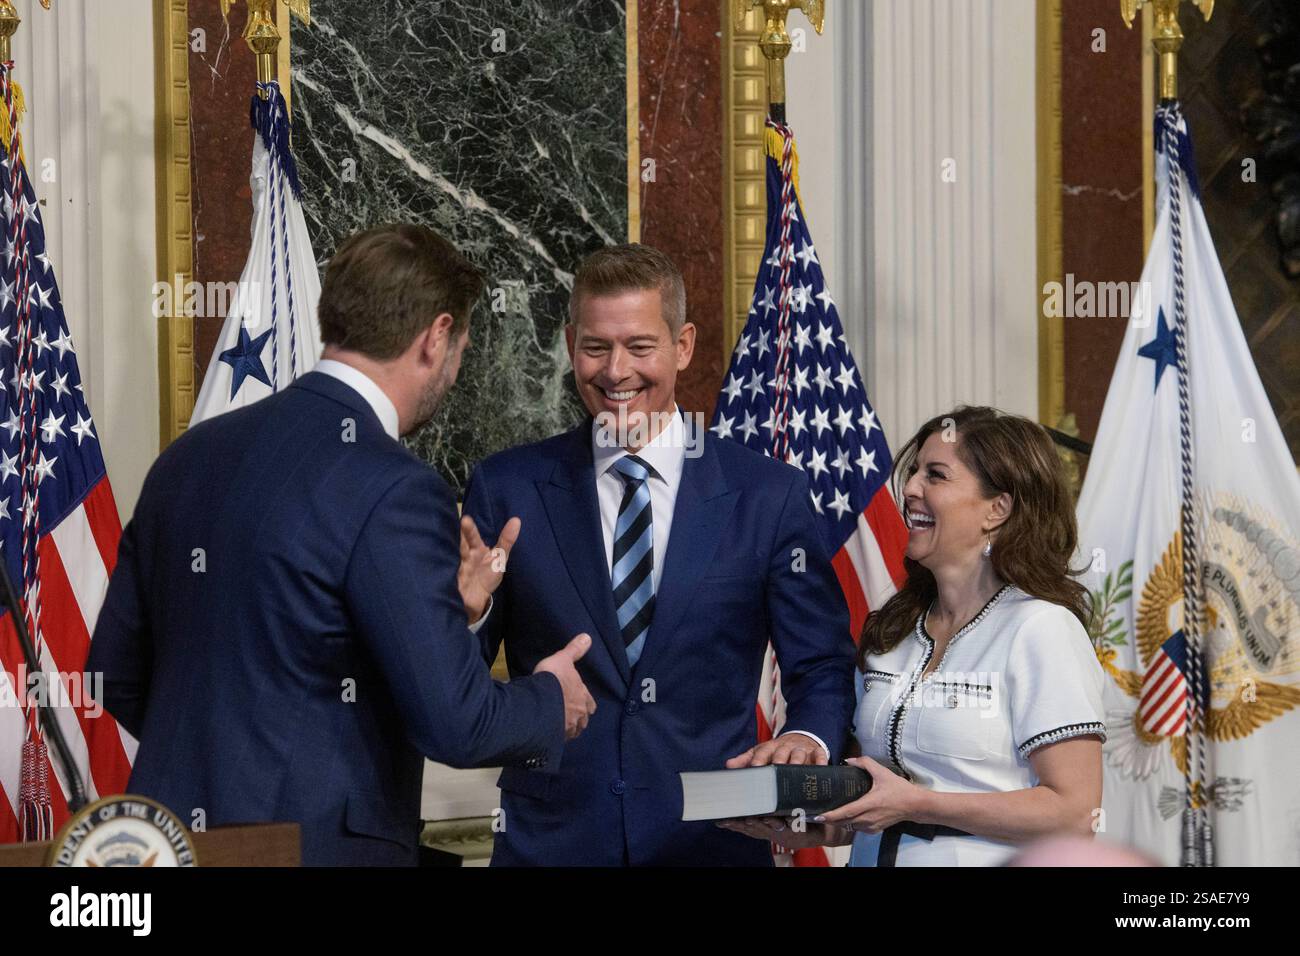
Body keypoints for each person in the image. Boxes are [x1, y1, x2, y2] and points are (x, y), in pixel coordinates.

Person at [88, 223, 595, 866]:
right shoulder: (397, 489)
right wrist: (551, 701)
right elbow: (454, 724)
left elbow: (115, 674)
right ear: (436, 337)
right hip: (307, 851)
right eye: (462, 347)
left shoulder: (188, 458)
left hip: (164, 848)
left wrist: (451, 619)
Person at [460, 243, 856, 865]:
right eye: (596, 347)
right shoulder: (507, 488)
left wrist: (805, 736)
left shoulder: (767, 496)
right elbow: (454, 683)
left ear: (684, 345)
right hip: (550, 846)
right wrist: (471, 616)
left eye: (640, 346)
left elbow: (823, 665)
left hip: (713, 847)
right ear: (570, 346)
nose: (616, 371)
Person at [720, 406, 1105, 866]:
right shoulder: (894, 632)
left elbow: (1076, 813)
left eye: (935, 476)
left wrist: (919, 804)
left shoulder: (1041, 628)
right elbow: (880, 801)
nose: (910, 489)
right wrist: (810, 824)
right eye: (915, 472)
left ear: (997, 509)